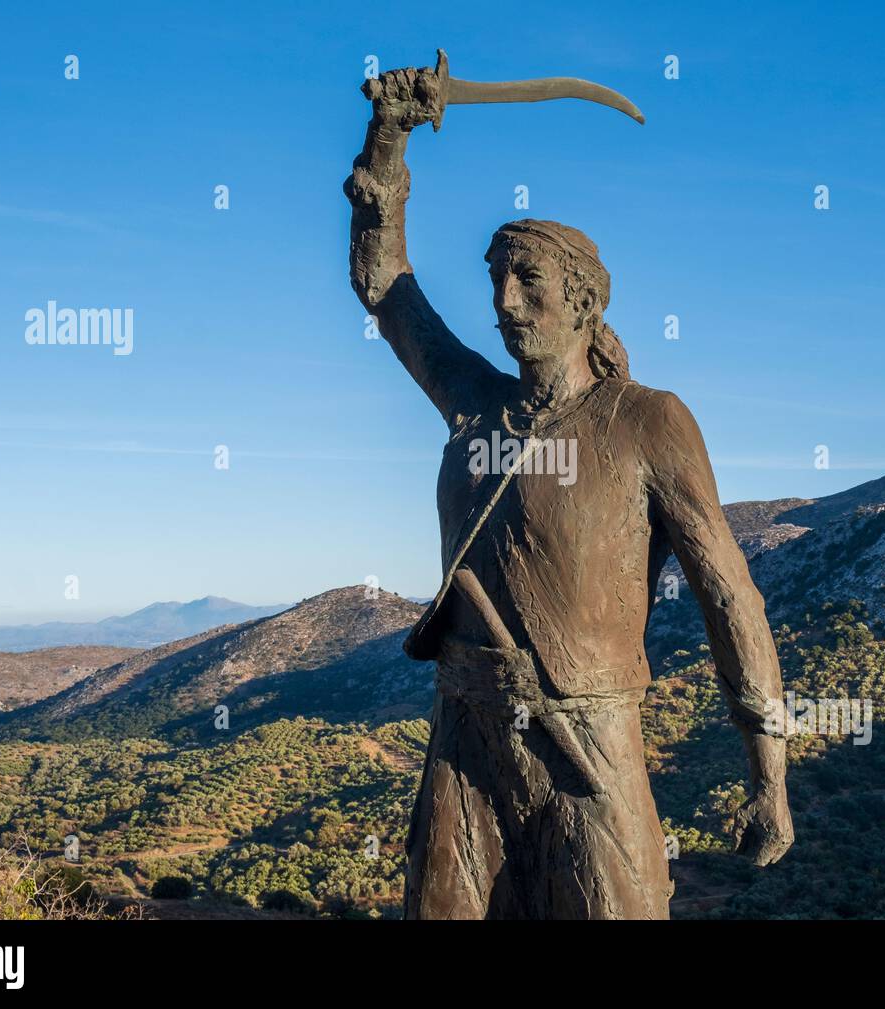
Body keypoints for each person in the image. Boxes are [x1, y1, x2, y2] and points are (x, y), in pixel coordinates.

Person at [344, 62, 794, 919]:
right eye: (496, 283)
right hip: (466, 742)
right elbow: (384, 286)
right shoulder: (472, 400)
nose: (504, 304)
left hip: (587, 746)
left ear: (582, 302)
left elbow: (730, 595)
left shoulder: (647, 423)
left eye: (528, 284)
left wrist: (768, 770)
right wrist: (389, 136)